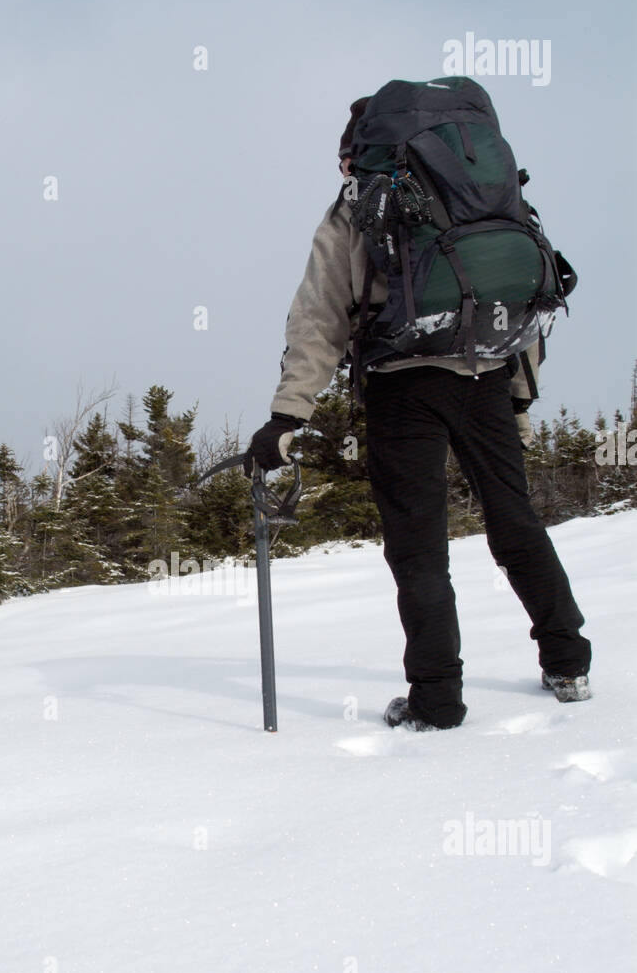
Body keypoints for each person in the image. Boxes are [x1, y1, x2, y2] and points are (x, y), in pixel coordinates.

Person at [244, 94, 592, 731]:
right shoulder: (490, 196)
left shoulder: (356, 207)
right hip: (487, 375)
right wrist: (518, 395)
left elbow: (319, 318)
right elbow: (513, 298)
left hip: (402, 386)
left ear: (353, 153)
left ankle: (436, 700)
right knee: (515, 521)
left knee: (419, 545)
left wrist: (287, 416)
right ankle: (567, 661)